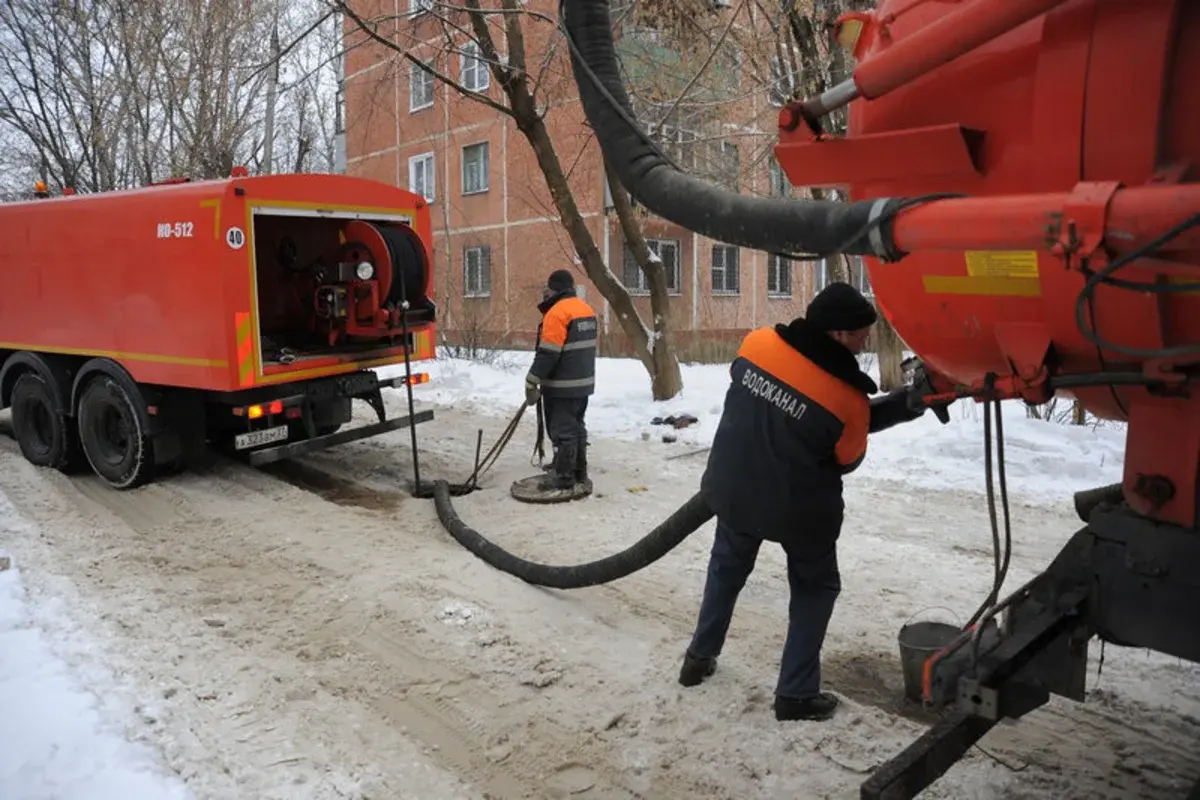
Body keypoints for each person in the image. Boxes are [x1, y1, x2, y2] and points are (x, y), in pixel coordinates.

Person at [677, 281, 940, 722]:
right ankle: (795, 694)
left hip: (733, 489)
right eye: (860, 335)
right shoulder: (849, 401)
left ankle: (697, 660)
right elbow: (846, 455)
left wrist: (899, 404)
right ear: (838, 335)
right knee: (816, 588)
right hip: (798, 513)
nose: (865, 342)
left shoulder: (757, 343)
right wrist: (907, 404)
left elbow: (785, 402)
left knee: (726, 569)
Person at [524, 269, 598, 492]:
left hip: (561, 385)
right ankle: (578, 470)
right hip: (583, 383)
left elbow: (549, 353)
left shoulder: (557, 313)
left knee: (562, 431)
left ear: (554, 289)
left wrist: (532, 379)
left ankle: (564, 477)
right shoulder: (585, 309)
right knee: (577, 426)